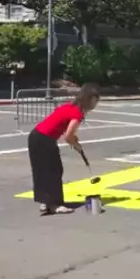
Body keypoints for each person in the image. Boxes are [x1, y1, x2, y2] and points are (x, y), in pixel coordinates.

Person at [28, 83, 100, 215]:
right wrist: (77, 146)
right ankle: (55, 205)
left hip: (35, 136)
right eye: (94, 101)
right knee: (54, 171)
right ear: (88, 99)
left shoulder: (69, 106)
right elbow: (67, 136)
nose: (95, 105)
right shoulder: (77, 113)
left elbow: (62, 127)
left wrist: (73, 138)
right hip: (45, 139)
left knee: (42, 172)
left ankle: (45, 203)